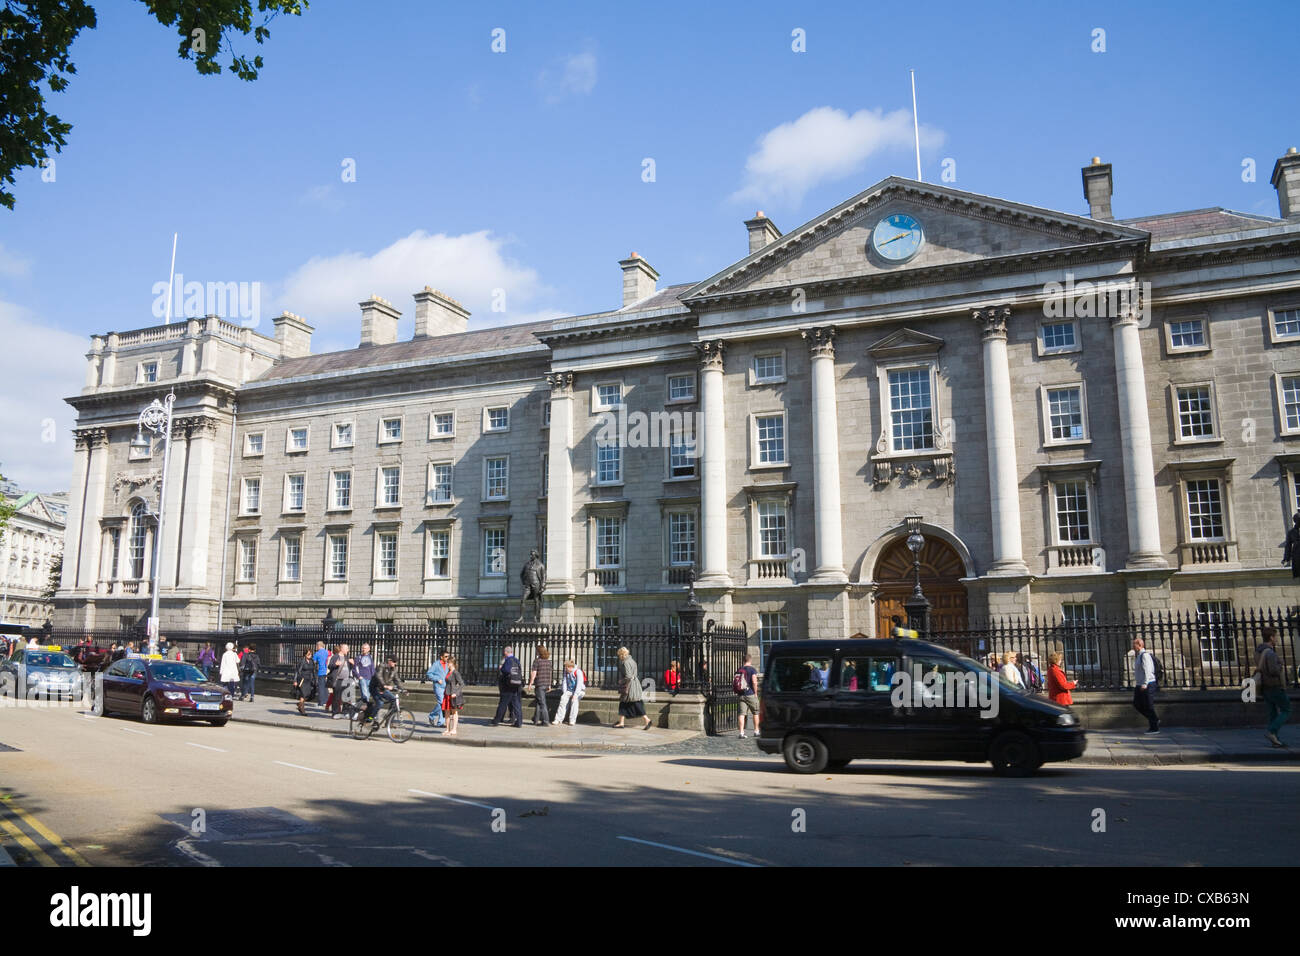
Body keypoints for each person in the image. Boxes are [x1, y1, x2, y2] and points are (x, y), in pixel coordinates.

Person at [1255, 627, 1290, 747]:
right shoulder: (1269, 652)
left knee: (1273, 713)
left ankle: (1275, 740)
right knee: (1287, 709)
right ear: (1271, 637)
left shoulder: (1258, 651)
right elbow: (1274, 670)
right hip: (1274, 685)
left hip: (1264, 686)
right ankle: (1271, 731)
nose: (1277, 639)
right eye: (1276, 636)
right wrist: (1280, 664)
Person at [613, 646, 651, 730]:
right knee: (627, 702)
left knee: (634, 703)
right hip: (634, 683)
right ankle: (622, 722)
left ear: (622, 655)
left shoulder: (626, 662)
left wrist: (621, 681)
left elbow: (628, 676)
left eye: (619, 655)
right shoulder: (632, 661)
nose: (619, 657)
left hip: (629, 685)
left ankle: (647, 719)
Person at [491, 646, 524, 727]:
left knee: (503, 704)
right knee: (517, 704)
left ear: (506, 652)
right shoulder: (516, 660)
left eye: (504, 652)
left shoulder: (508, 660)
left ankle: (496, 720)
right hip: (517, 685)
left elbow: (505, 670)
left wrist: (501, 668)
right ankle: (519, 722)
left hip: (508, 685)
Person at [1132, 637, 1159, 734]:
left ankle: (1154, 728)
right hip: (1140, 684)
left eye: (1134, 644)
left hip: (1148, 684)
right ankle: (1154, 719)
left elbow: (1148, 670)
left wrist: (1145, 683)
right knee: (1137, 704)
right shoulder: (1139, 655)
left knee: (1148, 705)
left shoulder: (1144, 655)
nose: (1133, 646)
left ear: (1139, 645)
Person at [365, 655, 403, 722]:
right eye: (394, 662)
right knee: (380, 703)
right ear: (389, 661)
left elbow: (397, 680)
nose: (395, 664)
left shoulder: (394, 669)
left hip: (383, 689)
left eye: (396, 662)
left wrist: (403, 689)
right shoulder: (382, 665)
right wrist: (384, 685)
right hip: (375, 688)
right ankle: (370, 718)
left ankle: (388, 720)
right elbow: (378, 676)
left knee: (394, 700)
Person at [552, 660, 586, 726]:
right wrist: (565, 692)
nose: (565, 669)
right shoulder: (566, 672)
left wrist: (575, 695)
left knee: (574, 701)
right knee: (563, 699)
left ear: (570, 667)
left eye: (566, 667)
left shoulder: (578, 672)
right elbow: (564, 682)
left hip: (579, 691)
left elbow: (579, 684)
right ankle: (558, 719)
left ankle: (572, 720)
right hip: (570, 690)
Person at [735, 653, 760, 739]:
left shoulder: (739, 669)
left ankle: (741, 732)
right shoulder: (752, 670)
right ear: (750, 660)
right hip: (750, 694)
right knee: (755, 712)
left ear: (743, 660)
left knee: (742, 714)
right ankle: (756, 731)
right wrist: (756, 693)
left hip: (741, 694)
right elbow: (754, 682)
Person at [529, 645, 553, 726]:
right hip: (546, 684)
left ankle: (545, 721)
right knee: (539, 702)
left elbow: (534, 673)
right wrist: (549, 685)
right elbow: (550, 674)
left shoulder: (537, 661)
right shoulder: (548, 662)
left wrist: (530, 683)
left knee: (542, 703)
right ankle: (535, 719)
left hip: (539, 684)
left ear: (539, 652)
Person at [328, 643, 353, 719]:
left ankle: (345, 712)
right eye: (347, 648)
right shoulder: (335, 657)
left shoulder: (347, 657)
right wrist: (335, 664)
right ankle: (335, 713)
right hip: (338, 680)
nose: (348, 650)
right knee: (336, 697)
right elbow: (330, 666)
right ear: (342, 649)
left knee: (346, 697)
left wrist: (353, 664)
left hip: (346, 680)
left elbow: (349, 668)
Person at [442, 656, 465, 736]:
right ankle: (447, 729)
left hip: (452, 695)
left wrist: (456, 693)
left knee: (454, 712)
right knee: (447, 712)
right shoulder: (449, 672)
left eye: (448, 662)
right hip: (447, 694)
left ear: (452, 663)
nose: (447, 664)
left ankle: (454, 729)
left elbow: (462, 684)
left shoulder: (455, 672)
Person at [425, 651, 449, 728]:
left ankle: (440, 722)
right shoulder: (436, 664)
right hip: (438, 686)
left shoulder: (448, 664)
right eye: (445, 656)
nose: (447, 658)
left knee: (442, 704)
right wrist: (437, 679)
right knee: (441, 702)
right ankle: (432, 716)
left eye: (448, 656)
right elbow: (429, 674)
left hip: (446, 687)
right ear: (441, 657)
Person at [292, 649, 316, 715]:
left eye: (311, 654)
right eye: (308, 654)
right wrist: (295, 680)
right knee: (304, 694)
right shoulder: (302, 661)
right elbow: (297, 671)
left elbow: (313, 671)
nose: (310, 655)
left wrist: (314, 679)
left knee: (308, 694)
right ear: (305, 654)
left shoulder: (311, 661)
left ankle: (300, 704)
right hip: (302, 680)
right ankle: (302, 709)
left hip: (309, 680)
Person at [312, 641, 330, 710]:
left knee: (320, 688)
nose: (316, 647)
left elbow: (313, 662)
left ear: (319, 646)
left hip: (320, 672)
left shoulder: (317, 653)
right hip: (326, 671)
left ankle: (321, 703)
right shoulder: (326, 652)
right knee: (325, 687)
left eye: (316, 646)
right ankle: (325, 701)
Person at [1284, 512, 1300, 578]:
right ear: (1295, 521)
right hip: (1297, 556)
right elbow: (1288, 546)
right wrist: (1286, 558)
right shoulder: (1291, 532)